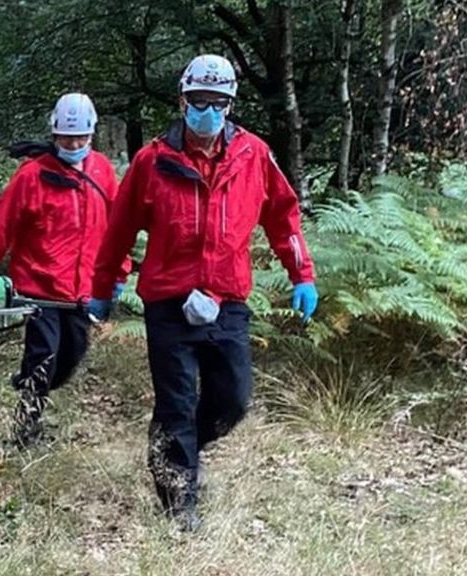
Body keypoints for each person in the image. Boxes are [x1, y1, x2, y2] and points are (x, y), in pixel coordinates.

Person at [92, 55, 320, 531]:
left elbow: (283, 216)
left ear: (230, 105)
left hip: (227, 302)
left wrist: (302, 274)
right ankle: (181, 502)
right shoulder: (152, 161)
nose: (208, 113)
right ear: (182, 101)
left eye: (219, 103)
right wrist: (104, 286)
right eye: (200, 102)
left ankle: (176, 450)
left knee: (233, 400)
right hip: (169, 303)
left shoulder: (253, 155)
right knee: (175, 404)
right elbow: (117, 231)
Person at [0, 92, 129, 445]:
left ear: (91, 135)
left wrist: (119, 272)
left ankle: (27, 383)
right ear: (54, 135)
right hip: (40, 287)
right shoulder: (32, 176)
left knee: (71, 357)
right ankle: (26, 426)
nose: (74, 144)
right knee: (44, 358)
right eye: (67, 138)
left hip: (83, 290)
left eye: (80, 138)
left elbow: (118, 224)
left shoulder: (101, 170)